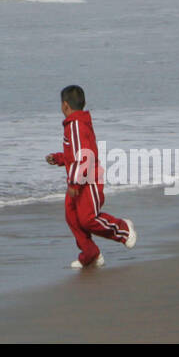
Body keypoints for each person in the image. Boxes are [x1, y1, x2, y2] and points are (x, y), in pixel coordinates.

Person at [47, 85, 137, 268]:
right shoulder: (75, 124)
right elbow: (75, 154)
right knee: (72, 217)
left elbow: (84, 157)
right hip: (78, 179)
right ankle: (90, 253)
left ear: (65, 105)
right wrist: (58, 158)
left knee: (87, 218)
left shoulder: (75, 125)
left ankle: (123, 229)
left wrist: (74, 184)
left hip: (89, 180)